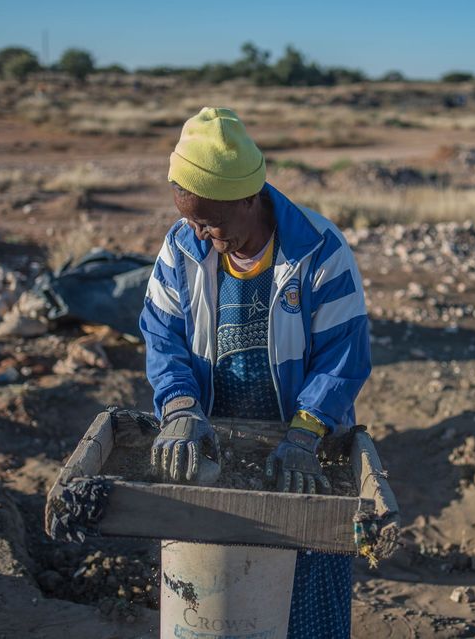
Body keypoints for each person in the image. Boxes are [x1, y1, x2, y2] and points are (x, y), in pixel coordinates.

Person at [139, 107, 372, 638]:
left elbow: (342, 357)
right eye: (191, 219)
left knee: (304, 578)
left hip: (305, 444)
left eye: (209, 222)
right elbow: (162, 337)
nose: (199, 233)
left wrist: (304, 436)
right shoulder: (181, 248)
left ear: (249, 198)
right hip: (216, 441)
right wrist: (180, 408)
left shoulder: (319, 250)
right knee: (216, 591)